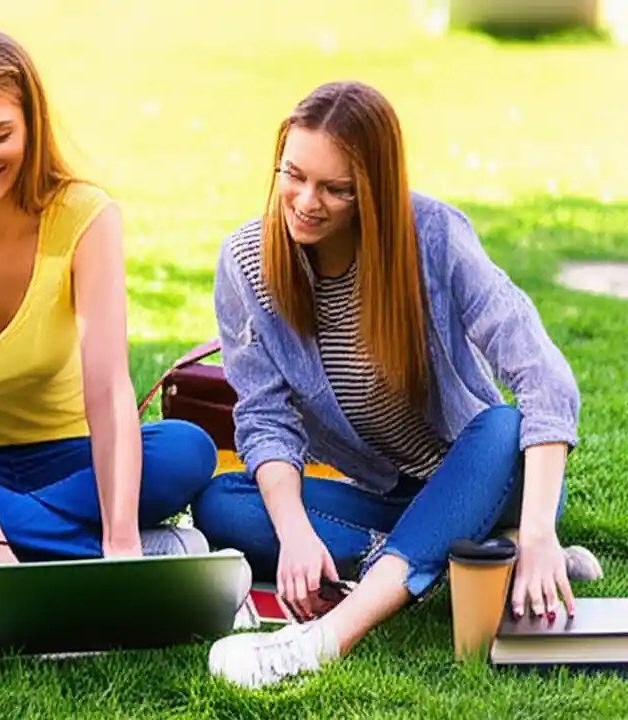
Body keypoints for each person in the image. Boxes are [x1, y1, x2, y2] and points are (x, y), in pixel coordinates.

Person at [196, 80, 602, 688]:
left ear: (374, 189)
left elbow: (541, 376)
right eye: (294, 175)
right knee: (223, 503)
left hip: (492, 480)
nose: (306, 201)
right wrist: (298, 535)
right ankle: (471, 554)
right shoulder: (246, 261)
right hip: (390, 497)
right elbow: (263, 417)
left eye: (336, 189)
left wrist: (541, 533)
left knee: (501, 426)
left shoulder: (434, 235)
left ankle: (330, 637)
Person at [0, 30, 219, 586]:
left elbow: (108, 388)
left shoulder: (86, 218)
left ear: (31, 126)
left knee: (187, 449)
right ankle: (111, 544)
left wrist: (120, 536)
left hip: (76, 455)